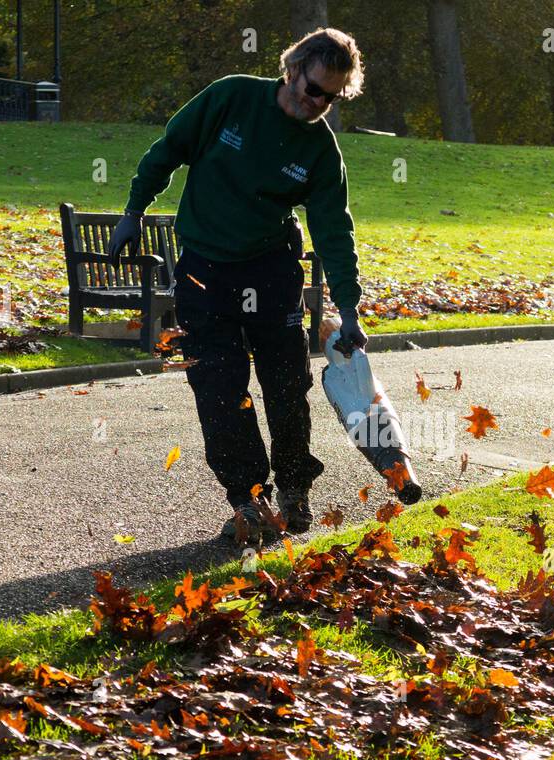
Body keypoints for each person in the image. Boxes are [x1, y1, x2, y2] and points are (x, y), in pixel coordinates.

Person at [107, 28, 368, 546]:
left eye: (333, 97)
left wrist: (349, 307)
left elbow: (334, 231)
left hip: (271, 272)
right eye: (314, 89)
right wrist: (134, 210)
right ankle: (250, 499)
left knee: (287, 385)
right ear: (292, 68)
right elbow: (169, 149)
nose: (320, 104)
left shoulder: (320, 150)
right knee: (219, 389)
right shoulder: (231, 97)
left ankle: (294, 489)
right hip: (205, 271)